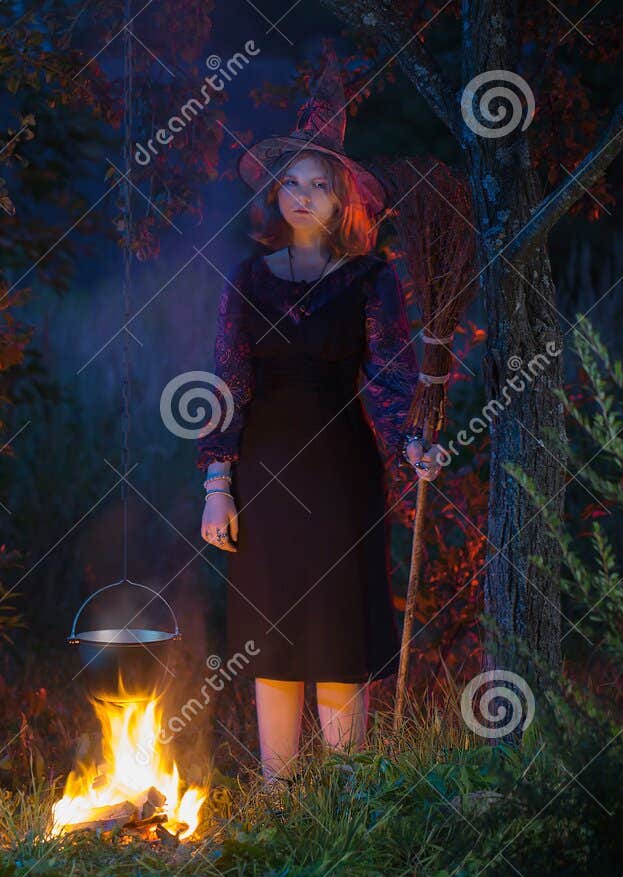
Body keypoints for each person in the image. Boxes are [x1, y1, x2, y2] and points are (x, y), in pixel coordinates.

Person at [197, 62, 444, 787]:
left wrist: (413, 443)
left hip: (341, 474)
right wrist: (217, 484)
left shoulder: (370, 279)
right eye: (292, 182)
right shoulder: (250, 278)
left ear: (342, 201)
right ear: (276, 193)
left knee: (339, 637)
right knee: (271, 642)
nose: (303, 195)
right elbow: (227, 383)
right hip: (264, 473)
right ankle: (279, 804)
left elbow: (392, 378)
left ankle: (348, 802)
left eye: (319, 185)